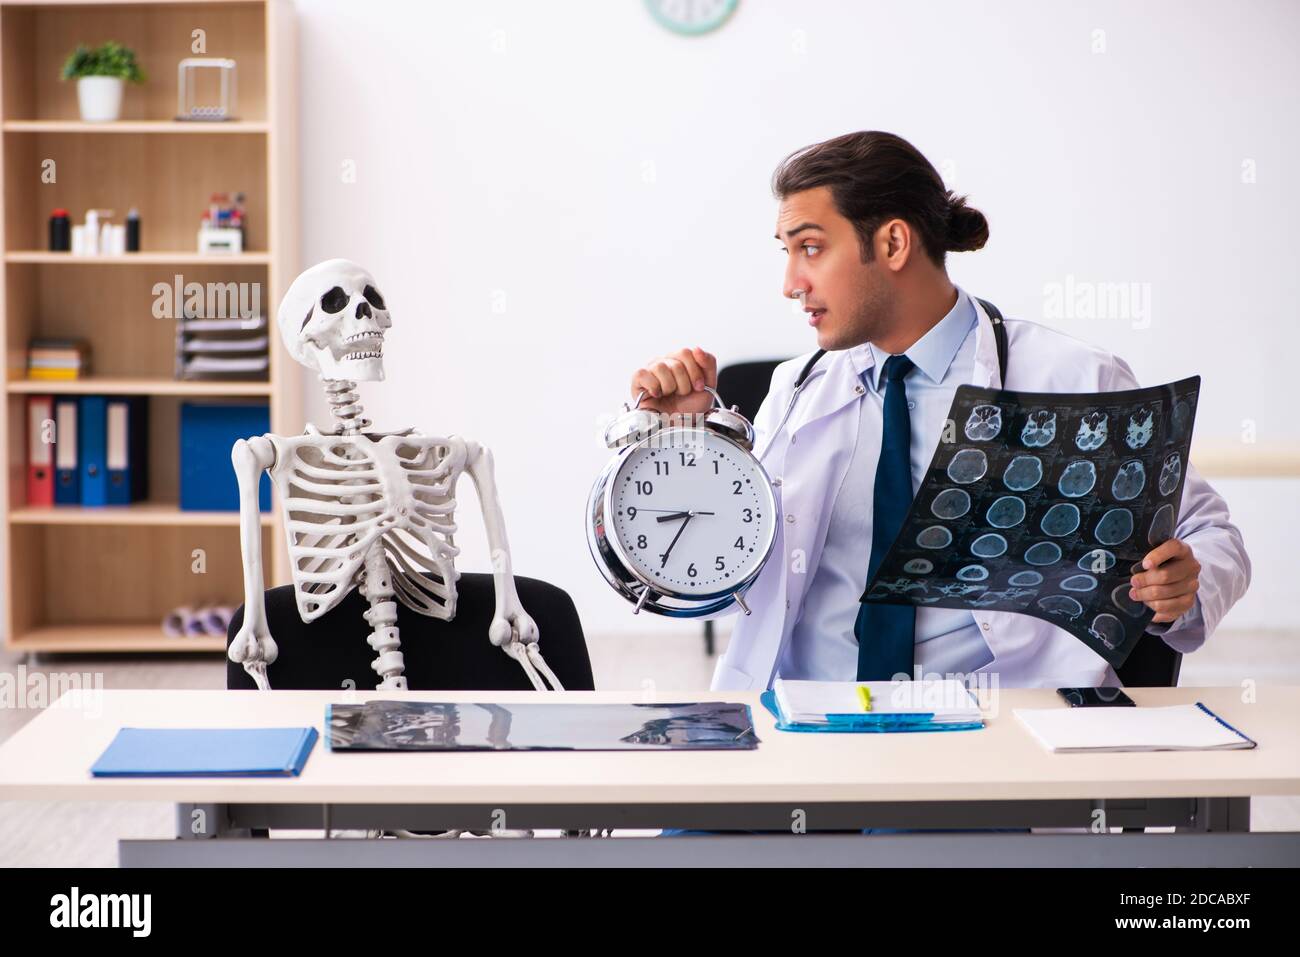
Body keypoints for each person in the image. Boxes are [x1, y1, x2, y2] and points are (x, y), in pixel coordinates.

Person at [630, 131, 1250, 693]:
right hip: (801, 725)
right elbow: (709, 573)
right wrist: (685, 443)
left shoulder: (1071, 379)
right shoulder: (797, 389)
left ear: (893, 242)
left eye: (811, 248)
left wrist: (1184, 585)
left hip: (979, 731)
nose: (790, 281)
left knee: (922, 826)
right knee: (695, 826)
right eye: (786, 252)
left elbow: (1212, 534)